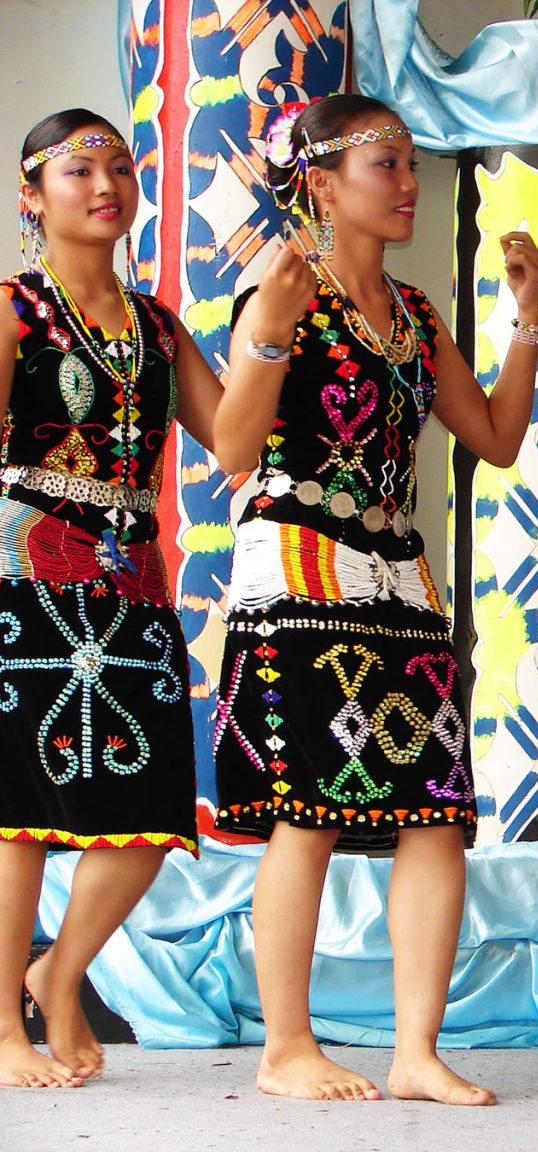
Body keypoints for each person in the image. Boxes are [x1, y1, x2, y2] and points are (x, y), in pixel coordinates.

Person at [210, 94, 538, 1105]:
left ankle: (415, 1051)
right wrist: (266, 327)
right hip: (302, 568)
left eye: (409, 165)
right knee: (306, 816)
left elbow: (492, 436)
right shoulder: (282, 294)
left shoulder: (416, 314)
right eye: (385, 166)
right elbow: (231, 452)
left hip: (399, 577)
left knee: (437, 816)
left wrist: (527, 319)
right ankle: (285, 1049)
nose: (407, 184)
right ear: (319, 182)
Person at [0, 109, 223, 1088]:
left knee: (151, 810)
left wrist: (263, 338)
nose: (106, 183)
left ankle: (62, 973)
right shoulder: (12, 310)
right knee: (19, 820)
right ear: (31, 196)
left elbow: (242, 444)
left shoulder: (160, 329)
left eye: (122, 166)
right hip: (24, 583)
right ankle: (3, 1033)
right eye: (79, 167)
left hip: (132, 588)